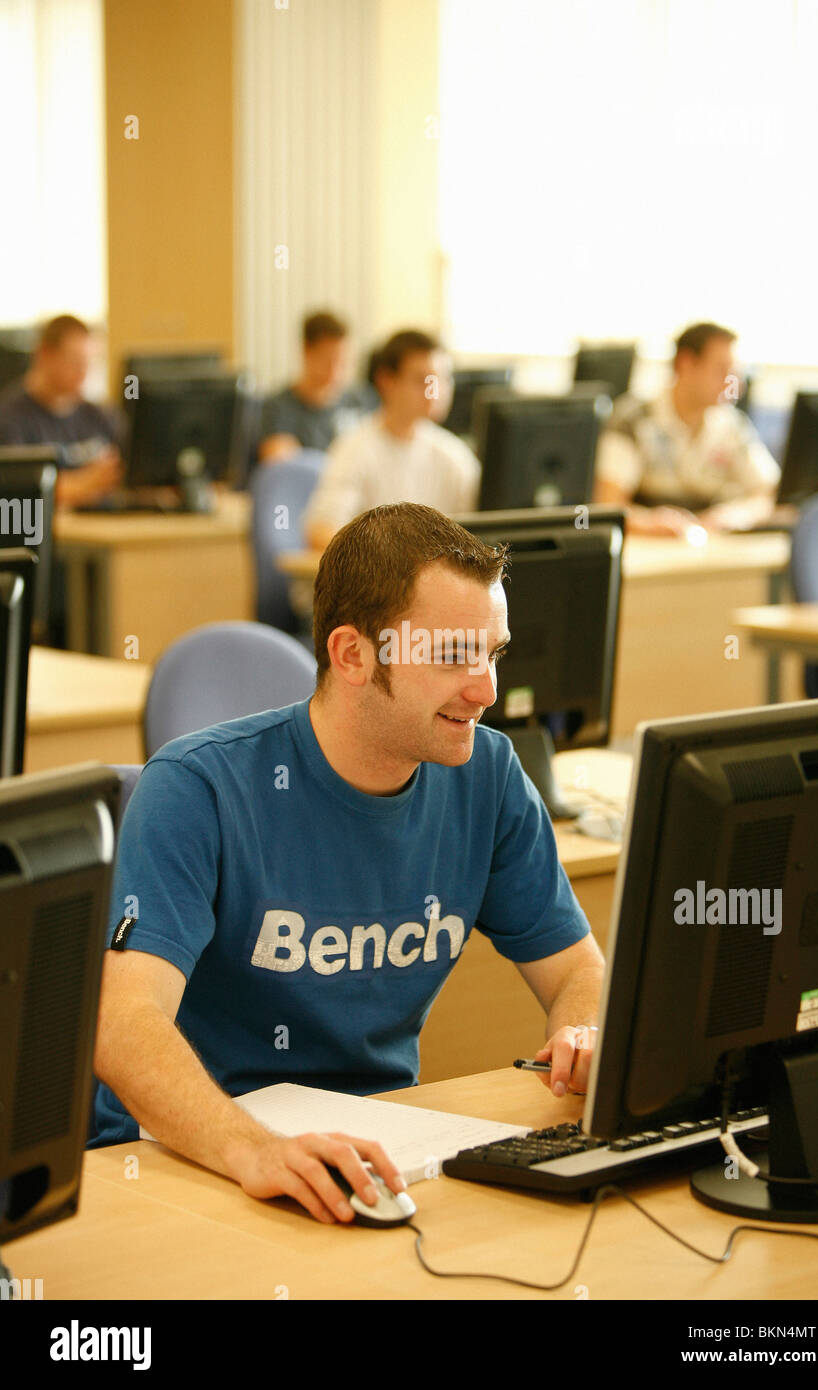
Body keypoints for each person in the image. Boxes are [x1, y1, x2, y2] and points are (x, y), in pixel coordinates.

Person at [90, 502, 604, 1225]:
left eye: (494, 653)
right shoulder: (196, 787)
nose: (487, 689)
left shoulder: (488, 776)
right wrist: (255, 1150)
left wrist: (581, 1032)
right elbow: (122, 1024)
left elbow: (579, 971)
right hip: (189, 1155)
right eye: (453, 656)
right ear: (353, 654)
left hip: (373, 1154)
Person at [593, 322, 781, 536]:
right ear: (686, 363)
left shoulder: (731, 425)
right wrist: (650, 523)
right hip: (650, 544)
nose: (735, 385)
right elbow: (608, 505)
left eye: (736, 373)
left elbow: (769, 493)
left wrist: (733, 516)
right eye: (722, 370)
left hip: (710, 543)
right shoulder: (631, 420)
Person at [303, 330, 479, 550]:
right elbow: (321, 530)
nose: (436, 392)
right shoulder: (355, 448)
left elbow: (481, 530)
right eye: (422, 380)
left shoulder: (455, 455)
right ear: (387, 381)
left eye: (443, 379)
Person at [0, 314, 124, 508]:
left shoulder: (101, 415)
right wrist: (85, 483)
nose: (83, 372)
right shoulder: (10, 418)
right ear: (44, 355)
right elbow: (20, 492)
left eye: (88, 362)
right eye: (74, 361)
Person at [258, 311, 368, 462]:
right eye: (327, 360)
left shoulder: (362, 402)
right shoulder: (278, 408)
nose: (334, 371)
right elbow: (276, 460)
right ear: (306, 351)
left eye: (342, 362)